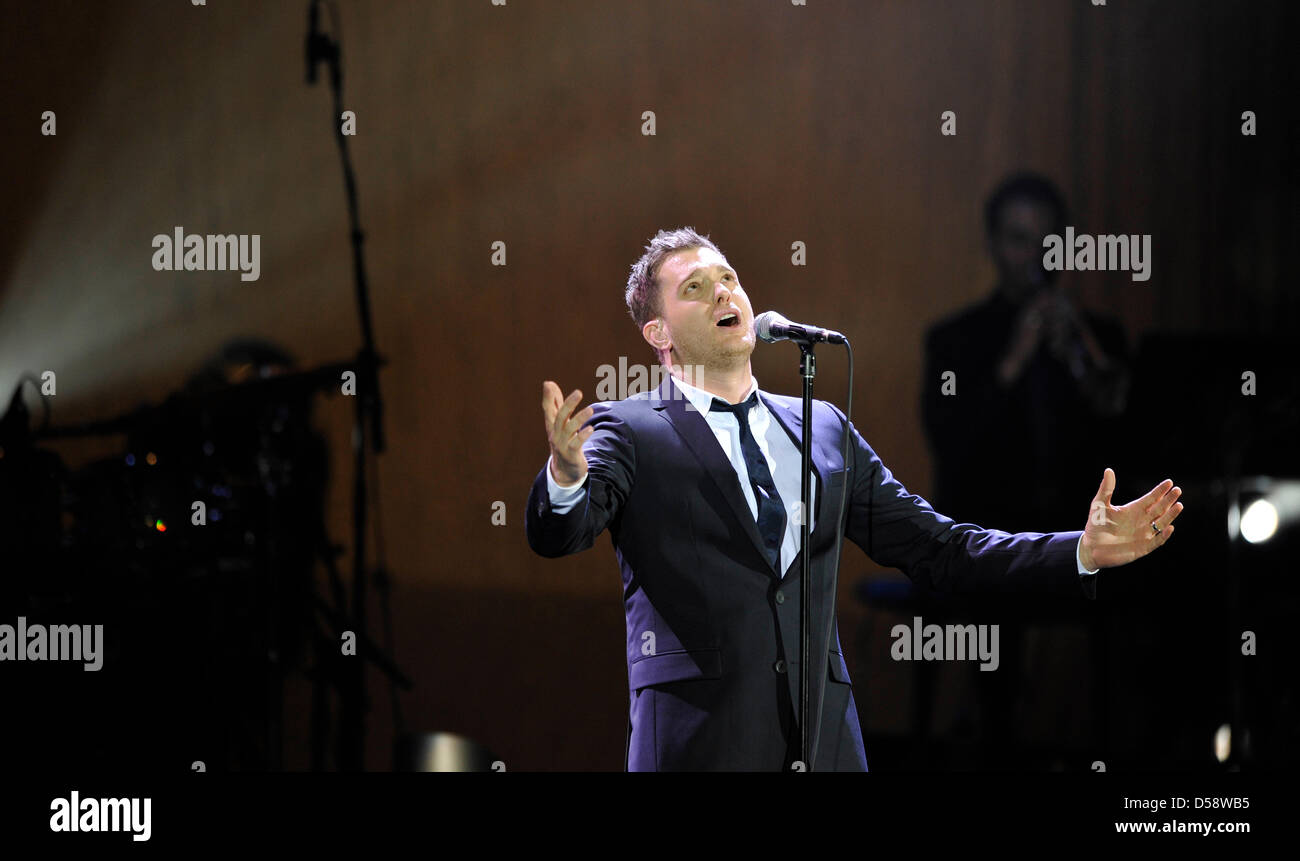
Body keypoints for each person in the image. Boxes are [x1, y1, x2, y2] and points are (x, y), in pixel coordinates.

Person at [525, 227, 1182, 771]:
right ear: (658, 334)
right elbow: (561, 531)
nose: (723, 290)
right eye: (694, 289)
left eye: (728, 278)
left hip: (824, 744)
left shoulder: (823, 429)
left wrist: (1079, 552)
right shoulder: (629, 427)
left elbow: (941, 549)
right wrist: (564, 474)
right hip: (700, 744)